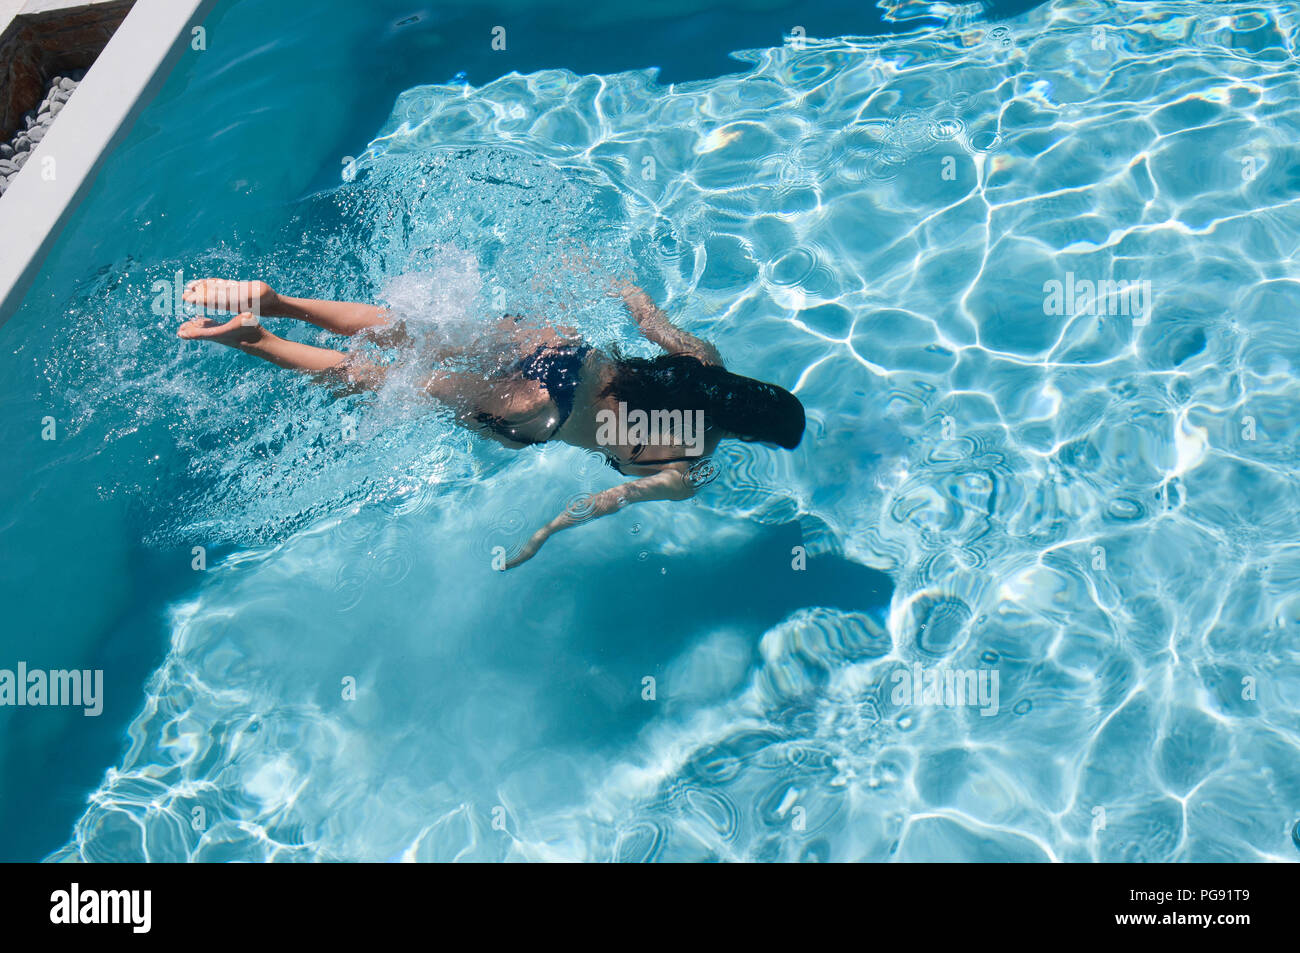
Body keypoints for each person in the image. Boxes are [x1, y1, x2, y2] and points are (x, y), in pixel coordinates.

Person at [177, 275, 805, 567]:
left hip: (562, 353)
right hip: (540, 411)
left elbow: (644, 314)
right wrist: (542, 535)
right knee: (387, 382)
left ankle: (279, 300)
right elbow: (603, 499)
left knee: (412, 332)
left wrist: (612, 279)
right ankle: (255, 340)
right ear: (750, 432)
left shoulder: (704, 362)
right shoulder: (687, 465)